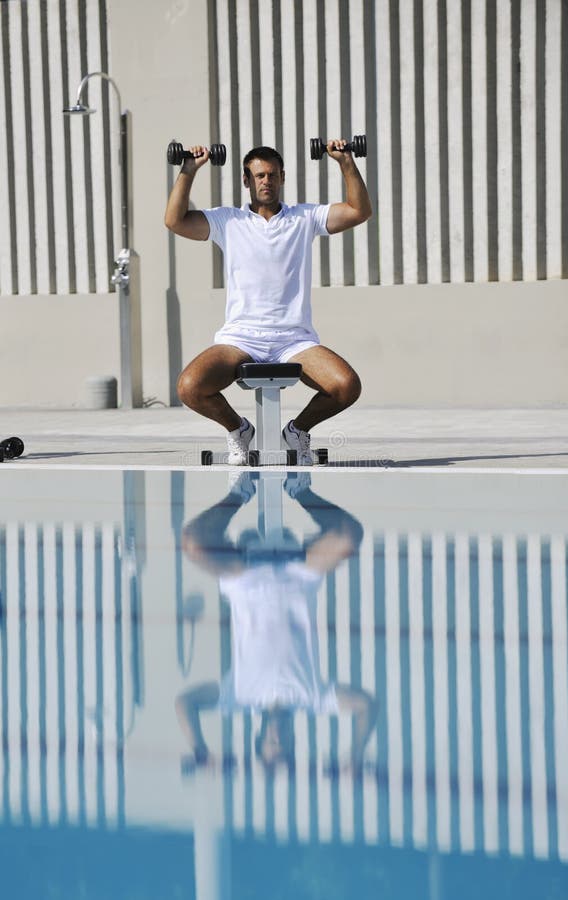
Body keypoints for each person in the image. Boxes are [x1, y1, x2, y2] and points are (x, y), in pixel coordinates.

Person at [164, 140, 372, 465]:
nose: (266, 181)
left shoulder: (304, 217)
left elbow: (359, 211)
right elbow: (174, 221)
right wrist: (188, 169)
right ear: (246, 180)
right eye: (259, 175)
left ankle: (297, 432)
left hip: (295, 340)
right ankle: (239, 430)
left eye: (272, 175)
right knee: (190, 387)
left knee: (347, 385)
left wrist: (345, 161)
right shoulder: (227, 221)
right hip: (241, 338)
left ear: (282, 178)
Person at [176, 472, 377, 774]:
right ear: (294, 739)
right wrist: (356, 754)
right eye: (283, 743)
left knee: (192, 542)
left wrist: (200, 751)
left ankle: (240, 492)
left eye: (271, 742)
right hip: (300, 576)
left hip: (245, 580)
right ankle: (299, 489)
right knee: (350, 535)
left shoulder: (238, 697)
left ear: (259, 736)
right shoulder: (314, 699)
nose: (277, 737)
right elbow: (365, 705)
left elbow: (184, 703)